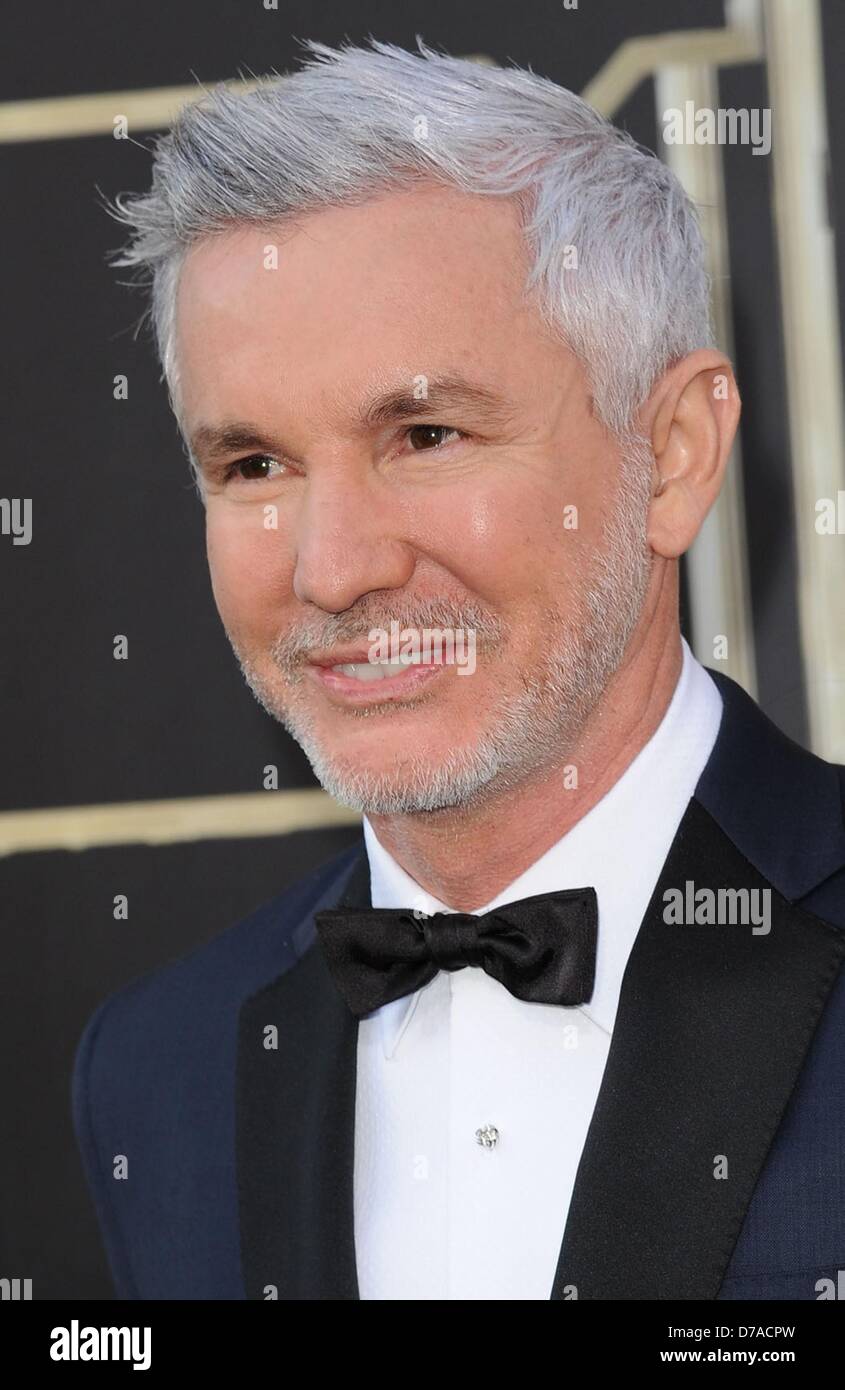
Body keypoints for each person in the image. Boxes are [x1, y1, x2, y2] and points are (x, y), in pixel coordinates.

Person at [72, 38, 845, 1301]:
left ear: (673, 454)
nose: (331, 569)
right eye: (253, 466)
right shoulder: (157, 1071)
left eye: (425, 435)